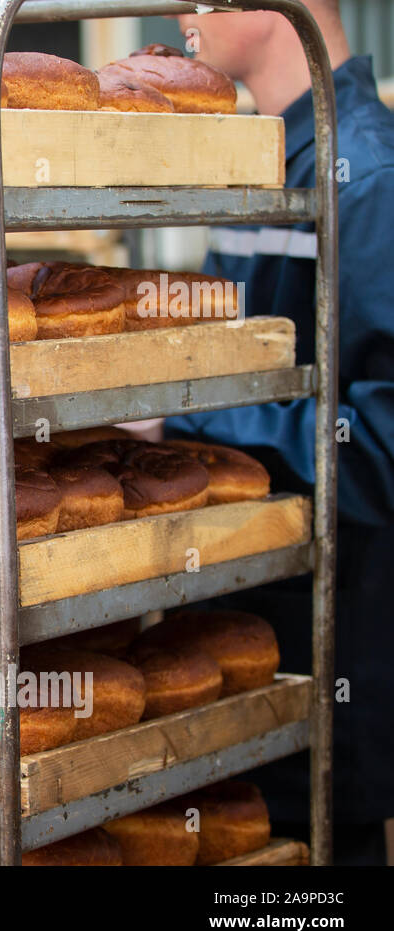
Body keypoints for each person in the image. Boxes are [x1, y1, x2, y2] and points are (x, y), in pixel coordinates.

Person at [169, 2, 394, 864]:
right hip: (250, 654)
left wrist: (186, 418)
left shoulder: (363, 176)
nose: (178, 10)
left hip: (337, 657)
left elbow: (383, 440)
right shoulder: (271, 161)